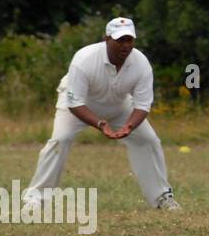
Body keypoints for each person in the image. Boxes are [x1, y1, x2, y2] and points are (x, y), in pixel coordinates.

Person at [23, 17, 179, 210]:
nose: (125, 45)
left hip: (119, 105)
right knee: (60, 140)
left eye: (129, 40)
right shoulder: (84, 59)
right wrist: (100, 124)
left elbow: (143, 105)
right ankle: (35, 199)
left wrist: (129, 126)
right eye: (120, 40)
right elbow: (74, 102)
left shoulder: (141, 63)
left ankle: (162, 198)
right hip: (79, 105)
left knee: (148, 140)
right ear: (106, 39)